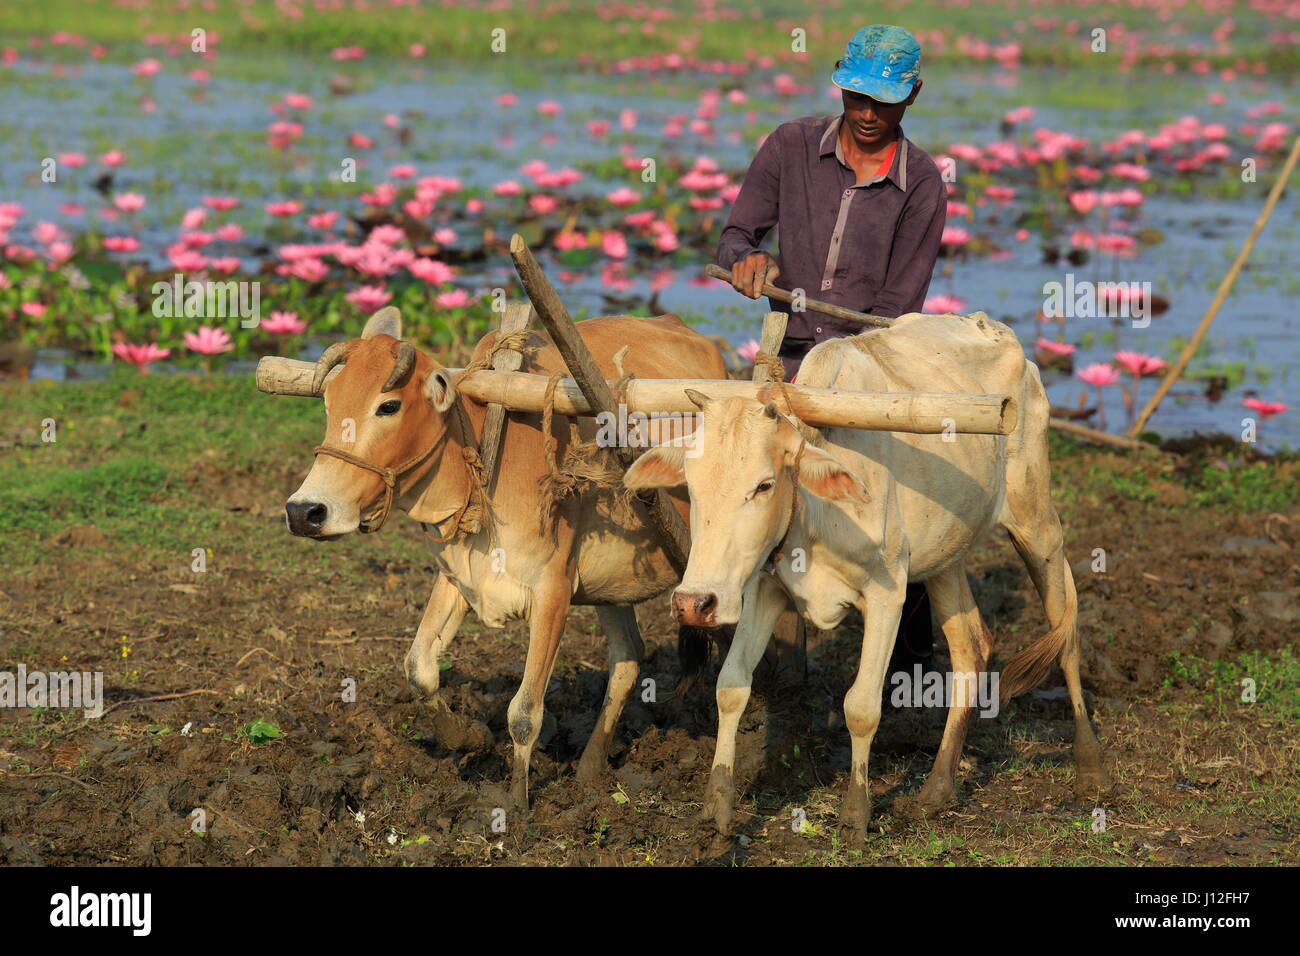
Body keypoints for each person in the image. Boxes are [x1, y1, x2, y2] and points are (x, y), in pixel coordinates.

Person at [715, 24, 947, 674]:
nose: (868, 114)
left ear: (914, 96)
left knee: (888, 503)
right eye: (857, 97)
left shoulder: (922, 184)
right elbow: (735, 233)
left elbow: (897, 311)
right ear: (840, 85)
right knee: (745, 489)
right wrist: (747, 260)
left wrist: (842, 376)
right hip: (785, 359)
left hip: (866, 371)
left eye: (885, 102)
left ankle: (911, 642)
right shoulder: (790, 145)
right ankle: (758, 632)